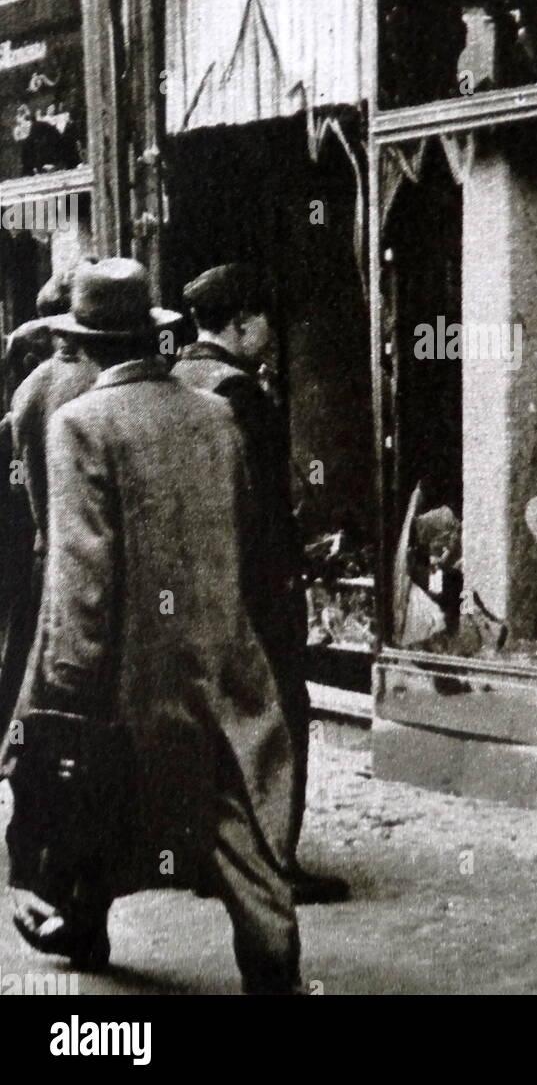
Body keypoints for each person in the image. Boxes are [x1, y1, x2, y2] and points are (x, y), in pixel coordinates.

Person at [7, 259, 303, 994]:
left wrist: (63, 690)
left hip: (128, 669)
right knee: (231, 808)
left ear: (84, 343)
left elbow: (81, 582)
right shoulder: (217, 415)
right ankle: (273, 960)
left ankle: (78, 917)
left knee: (97, 791)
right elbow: (248, 534)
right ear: (152, 335)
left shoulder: (81, 425)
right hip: (222, 651)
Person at [174, 263, 347, 904]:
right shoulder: (242, 396)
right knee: (278, 719)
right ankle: (275, 860)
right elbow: (270, 510)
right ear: (243, 323)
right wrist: (296, 574)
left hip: (189, 587)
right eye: (266, 320)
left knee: (208, 722)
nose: (274, 333)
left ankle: (208, 857)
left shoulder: (174, 381)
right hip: (254, 586)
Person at [0, 267, 98, 777]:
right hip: (86, 558)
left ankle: (29, 787)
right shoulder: (92, 382)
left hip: (44, 553)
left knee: (31, 677)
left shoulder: (29, 389)